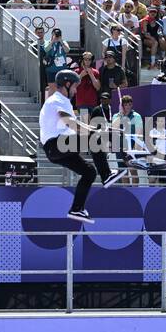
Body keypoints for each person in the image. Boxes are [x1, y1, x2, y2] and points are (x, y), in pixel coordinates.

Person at [39, 70, 126, 222]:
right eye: (74, 87)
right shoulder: (56, 100)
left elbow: (74, 128)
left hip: (57, 149)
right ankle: (106, 175)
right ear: (67, 84)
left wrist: (100, 130)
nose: (75, 90)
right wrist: (96, 131)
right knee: (95, 137)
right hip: (56, 144)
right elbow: (71, 123)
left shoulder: (64, 101)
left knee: (89, 172)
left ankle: (76, 209)